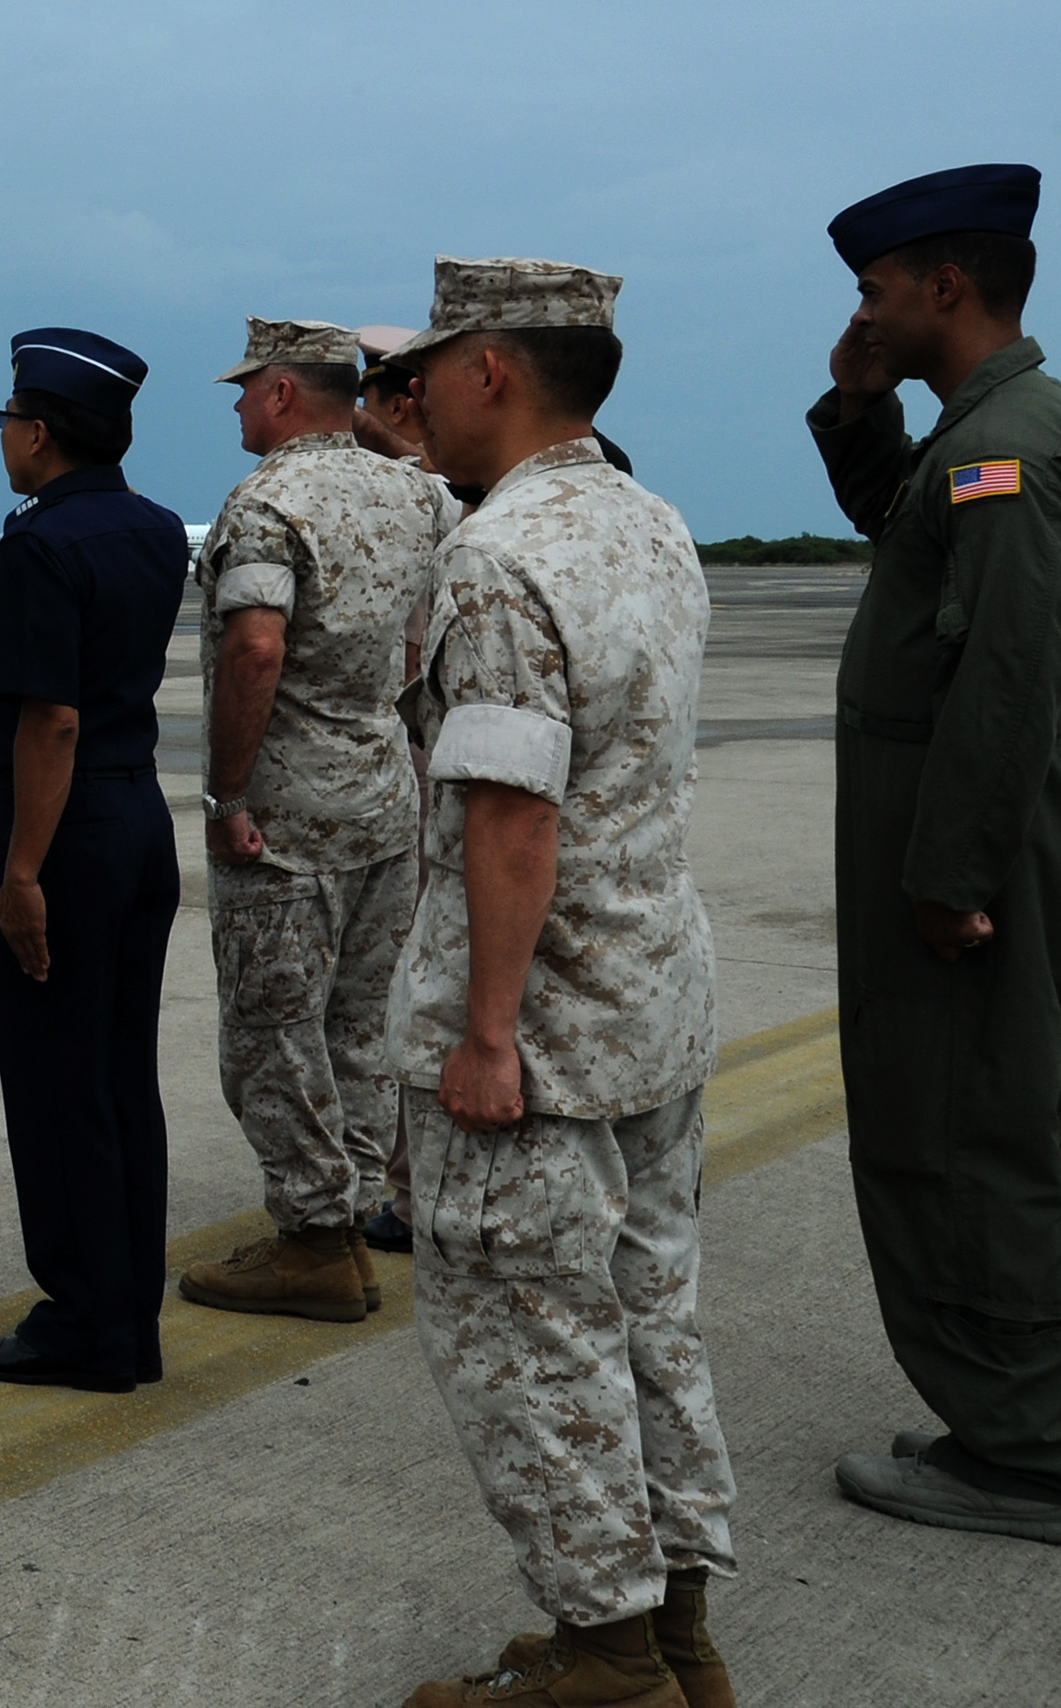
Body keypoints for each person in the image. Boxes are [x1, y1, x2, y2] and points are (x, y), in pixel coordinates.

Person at [382, 259, 739, 1708]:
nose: (411, 399)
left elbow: (511, 810)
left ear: (491, 370)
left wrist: (482, 1028)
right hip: (653, 994)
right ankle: (675, 1634)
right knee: (650, 1309)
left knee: (528, 1339)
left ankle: (604, 1658)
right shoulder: (651, 521)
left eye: (428, 369)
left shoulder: (500, 551)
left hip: (538, 1022)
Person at [809, 162, 1061, 1548]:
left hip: (981, 833)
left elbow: (1004, 670)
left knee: (966, 1137)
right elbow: (912, 543)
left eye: (877, 291)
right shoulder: (986, 432)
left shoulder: (1008, 445)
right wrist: (858, 404)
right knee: (1019, 1127)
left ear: (948, 284)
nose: (866, 312)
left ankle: (1034, 1457)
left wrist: (950, 875)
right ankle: (1051, 1424)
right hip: (1001, 820)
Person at [177, 319, 450, 1327]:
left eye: (247, 388)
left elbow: (255, 649)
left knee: (269, 1032)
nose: (239, 406)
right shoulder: (417, 493)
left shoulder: (267, 502)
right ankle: (355, 1205)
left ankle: (313, 1240)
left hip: (286, 819)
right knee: (359, 1028)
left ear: (284, 392)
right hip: (383, 800)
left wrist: (225, 798)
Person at [0, 329, 191, 1394]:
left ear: (38, 431)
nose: (2, 437)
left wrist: (19, 876)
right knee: (120, 1078)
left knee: (57, 1082)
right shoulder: (148, 530)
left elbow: (48, 720)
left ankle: (85, 1321)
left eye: (7, 420)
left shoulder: (42, 546)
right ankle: (126, 1312)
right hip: (138, 817)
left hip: (65, 830)